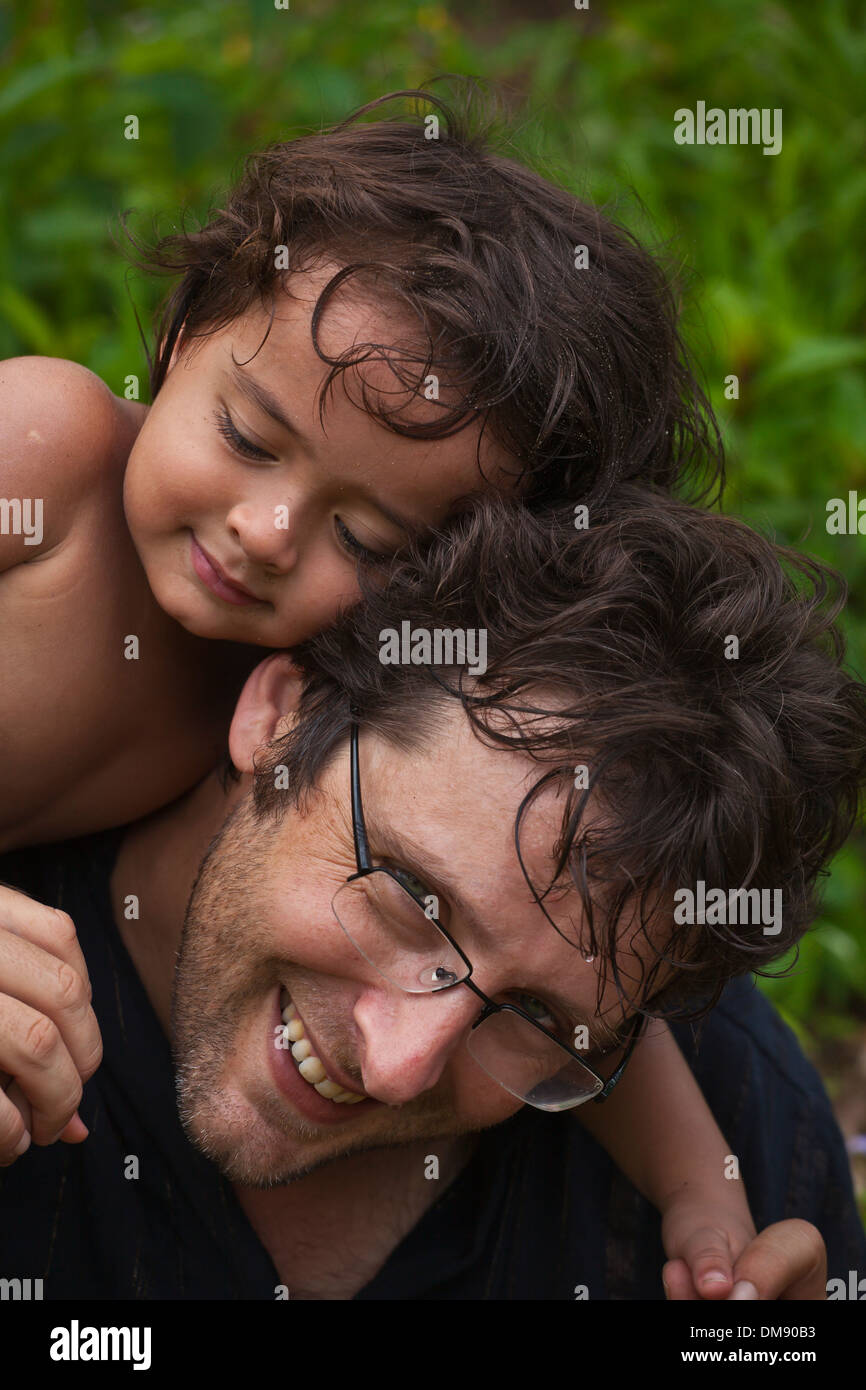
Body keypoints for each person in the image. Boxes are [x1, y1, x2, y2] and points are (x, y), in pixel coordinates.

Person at [0, 491, 863, 1299]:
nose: (399, 1066)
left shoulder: (753, 1143)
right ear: (283, 720)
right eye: (415, 901)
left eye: (536, 1017)